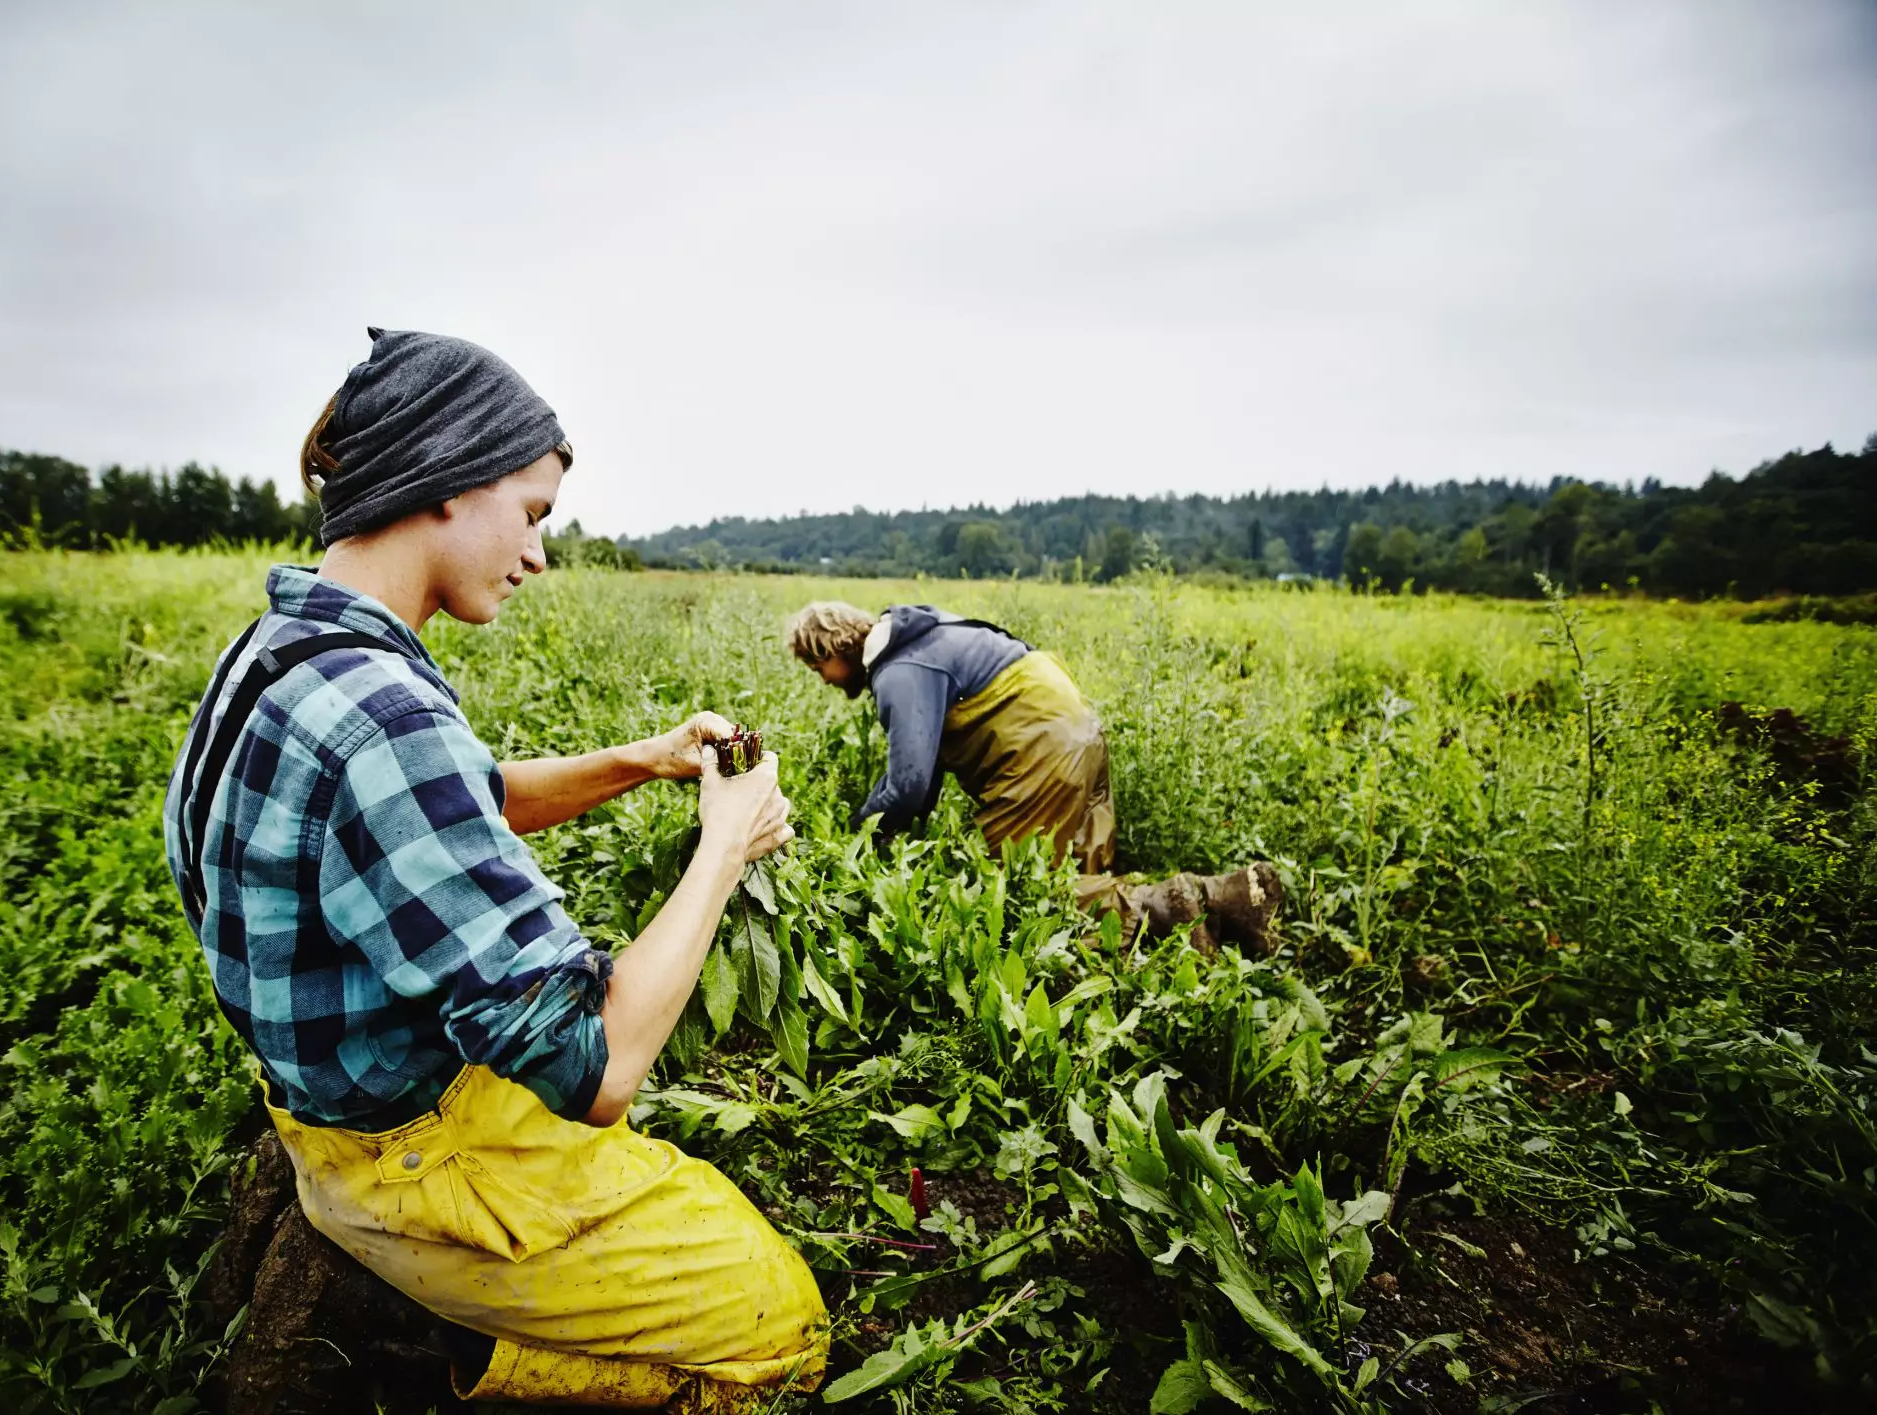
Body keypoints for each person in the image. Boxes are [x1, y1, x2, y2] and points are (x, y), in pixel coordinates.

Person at [165, 329, 824, 1411]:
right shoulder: (386, 717)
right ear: (443, 481)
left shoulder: (284, 655)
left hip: (330, 1123)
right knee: (783, 1329)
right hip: (417, 1164)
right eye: (531, 513)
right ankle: (430, 1352)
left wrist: (642, 759)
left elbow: (445, 799)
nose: (536, 554)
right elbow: (601, 1063)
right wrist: (725, 839)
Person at [787, 601, 1280, 952]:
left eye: (817, 669)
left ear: (831, 651)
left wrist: (859, 832)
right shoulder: (926, 637)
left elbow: (909, 785)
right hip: (1077, 732)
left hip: (1038, 753)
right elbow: (923, 779)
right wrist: (889, 823)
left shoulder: (901, 670)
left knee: (1024, 891)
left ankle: (1187, 899)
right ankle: (1233, 910)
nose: (824, 680)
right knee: (1082, 876)